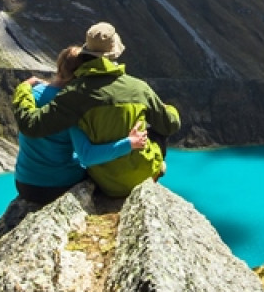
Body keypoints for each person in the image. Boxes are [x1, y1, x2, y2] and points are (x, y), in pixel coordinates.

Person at [13, 22, 181, 198]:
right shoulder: (139, 87)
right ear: (115, 52)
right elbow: (170, 125)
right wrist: (167, 110)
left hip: (41, 182)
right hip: (133, 171)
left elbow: (32, 125)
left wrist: (23, 88)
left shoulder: (74, 94)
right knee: (157, 130)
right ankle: (155, 170)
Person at [14, 45, 148, 205]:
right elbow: (87, 155)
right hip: (56, 187)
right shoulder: (71, 104)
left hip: (24, 183)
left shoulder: (32, 92)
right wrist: (129, 143)